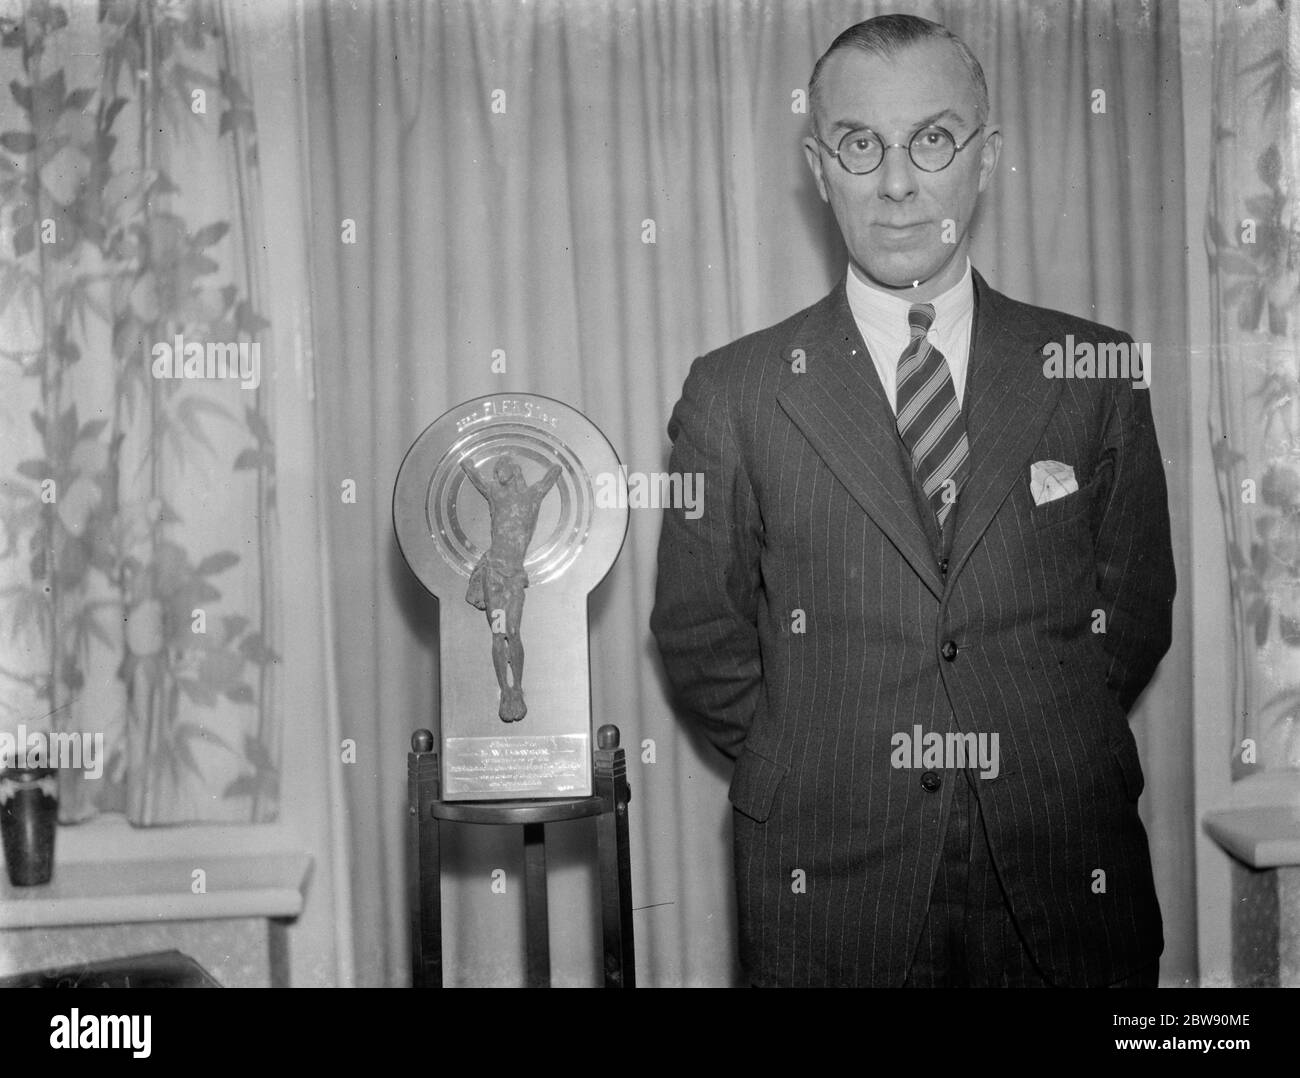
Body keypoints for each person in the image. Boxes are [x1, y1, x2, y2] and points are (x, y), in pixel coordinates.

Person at [650, 13, 1175, 988]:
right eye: (860, 144)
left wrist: (1034, 734)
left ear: (988, 156)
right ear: (819, 165)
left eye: (932, 138)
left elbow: (1132, 618)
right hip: (831, 889)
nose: (896, 182)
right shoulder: (737, 392)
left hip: (1064, 882)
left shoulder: (1093, 372)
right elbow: (698, 638)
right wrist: (822, 753)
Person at [461, 453, 561, 722]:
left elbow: (553, 474)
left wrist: (559, 458)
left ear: (514, 470)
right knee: (498, 632)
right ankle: (504, 689)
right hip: (493, 574)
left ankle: (517, 686)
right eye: (496, 472)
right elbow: (476, 477)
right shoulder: (496, 494)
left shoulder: (532, 496)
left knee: (513, 631)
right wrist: (466, 462)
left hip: (514, 576)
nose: (497, 475)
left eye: (500, 470)